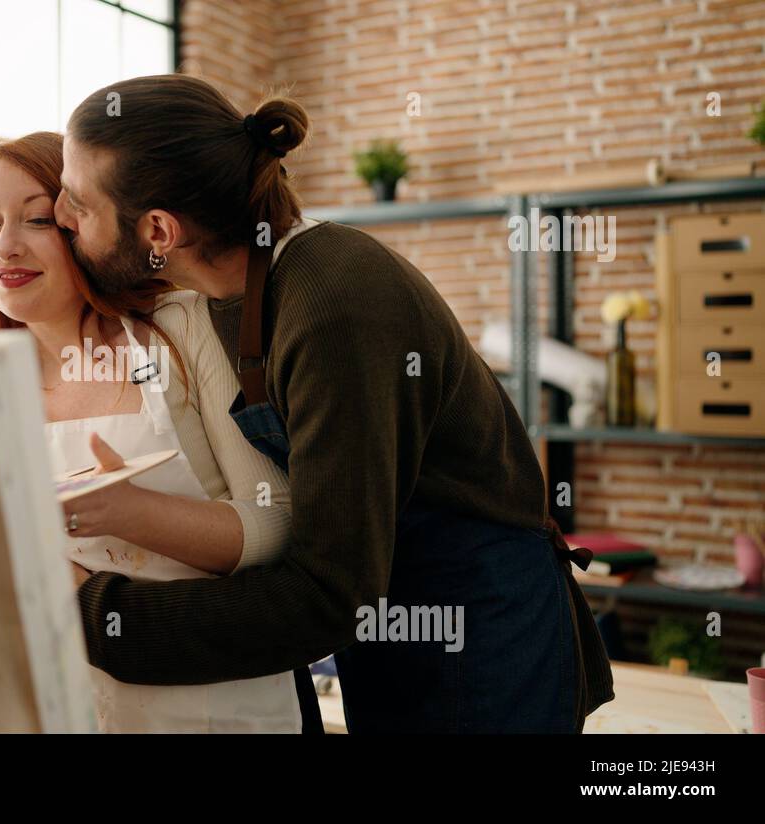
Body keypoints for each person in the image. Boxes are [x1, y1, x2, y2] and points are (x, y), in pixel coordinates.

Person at [53, 74, 614, 733]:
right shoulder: (229, 296)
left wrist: (89, 612)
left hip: (481, 648)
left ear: (158, 230)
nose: (61, 219)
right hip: (389, 643)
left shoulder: (331, 305)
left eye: (76, 204)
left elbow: (328, 595)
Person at [0, 131, 318, 732]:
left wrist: (127, 511)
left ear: (83, 228)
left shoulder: (180, 329)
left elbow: (278, 520)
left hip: (214, 700)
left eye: (36, 220)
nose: (6, 246)